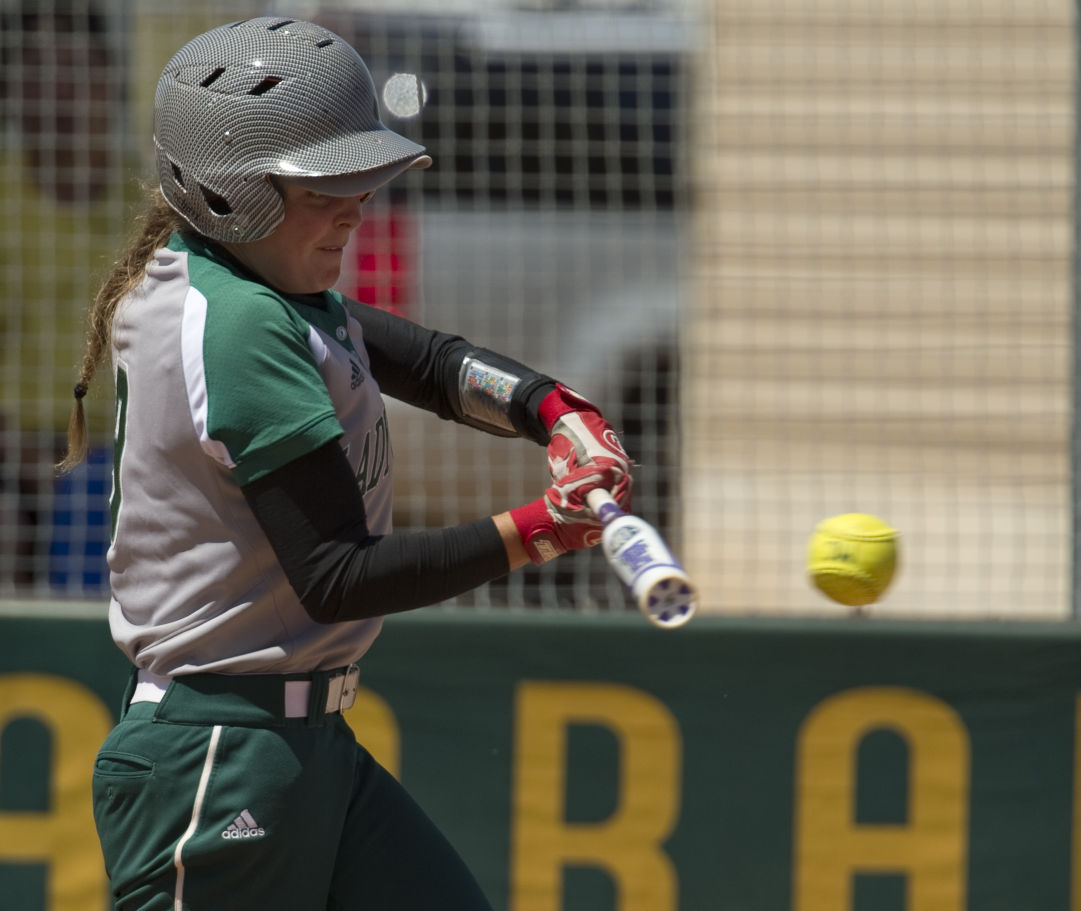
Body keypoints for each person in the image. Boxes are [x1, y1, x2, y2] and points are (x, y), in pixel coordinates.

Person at [58, 16, 632, 911]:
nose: (356, 203)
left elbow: (434, 364)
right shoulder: (240, 323)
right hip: (215, 754)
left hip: (301, 745)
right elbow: (336, 574)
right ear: (225, 192)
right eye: (322, 183)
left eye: (359, 176)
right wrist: (540, 530)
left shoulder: (264, 290)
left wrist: (558, 413)